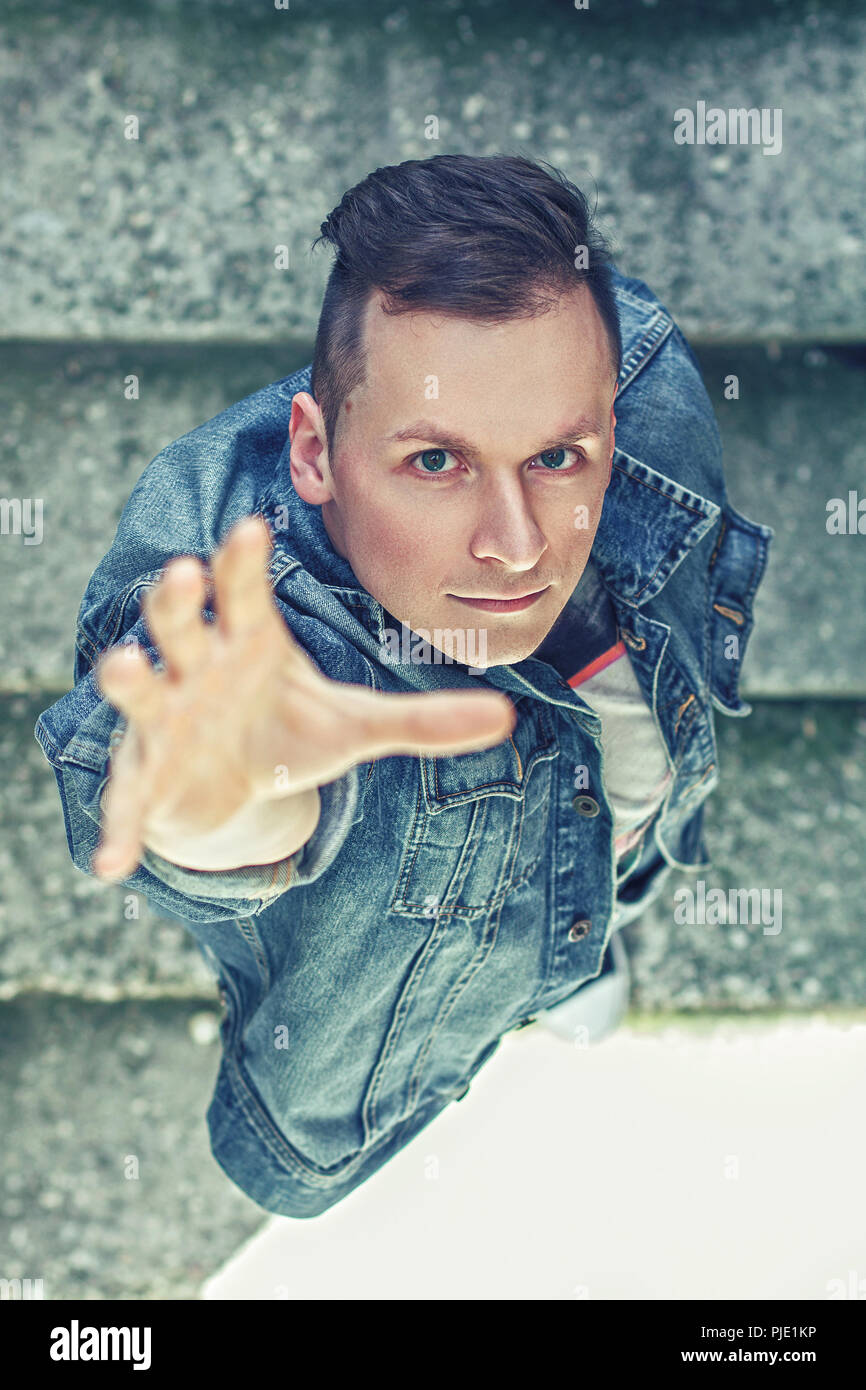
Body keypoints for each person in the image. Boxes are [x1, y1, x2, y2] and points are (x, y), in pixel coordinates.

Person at [34, 153, 773, 1219]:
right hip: (385, 1047)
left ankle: (580, 948)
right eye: (436, 463)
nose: (516, 546)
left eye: (557, 457)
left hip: (606, 844)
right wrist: (227, 813)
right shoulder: (247, 613)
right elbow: (178, 746)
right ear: (314, 453)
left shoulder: (643, 366)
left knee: (604, 884)